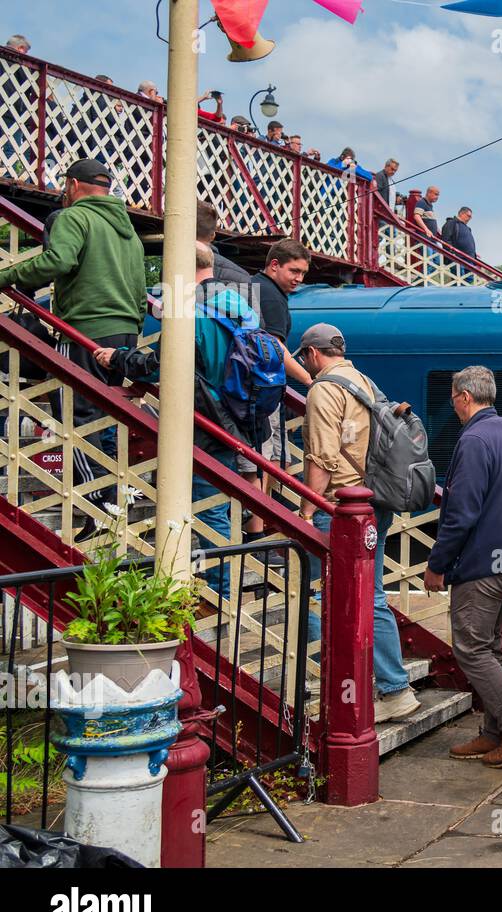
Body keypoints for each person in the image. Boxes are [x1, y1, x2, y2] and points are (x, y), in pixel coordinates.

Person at [92, 242, 254, 596]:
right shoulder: (240, 305)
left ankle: (220, 591)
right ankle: (222, 584)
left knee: (207, 507)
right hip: (238, 416)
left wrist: (119, 358)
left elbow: (162, 364)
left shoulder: (190, 308)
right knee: (218, 506)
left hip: (204, 419)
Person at [0, 158, 145, 533]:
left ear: (72, 185)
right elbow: (140, 288)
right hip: (124, 332)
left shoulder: (72, 217)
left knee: (74, 421)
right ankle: (118, 496)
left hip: (85, 328)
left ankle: (102, 505)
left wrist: (9, 275)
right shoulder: (127, 229)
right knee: (105, 418)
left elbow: (58, 260)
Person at [296, 323, 421, 724]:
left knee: (315, 593)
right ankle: (392, 685)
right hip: (373, 502)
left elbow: (322, 458)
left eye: (303, 358)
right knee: (373, 595)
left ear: (313, 354)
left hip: (339, 507)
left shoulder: (323, 389)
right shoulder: (363, 381)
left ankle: (328, 681)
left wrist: (306, 510)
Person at [424, 366, 502, 768]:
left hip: (483, 563)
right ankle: (494, 734)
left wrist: (437, 564)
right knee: (490, 647)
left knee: (470, 649)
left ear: (465, 397)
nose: (452, 404)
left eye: (453, 397)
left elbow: (461, 512)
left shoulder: (472, 439)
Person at [242, 241, 313, 536]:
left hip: (255, 387)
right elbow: (274, 346)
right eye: (294, 270)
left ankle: (257, 523)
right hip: (262, 387)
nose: (299, 278)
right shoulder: (270, 296)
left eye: (303, 273)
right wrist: (310, 381)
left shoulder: (260, 288)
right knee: (264, 457)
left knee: (271, 457)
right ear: (274, 265)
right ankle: (256, 528)